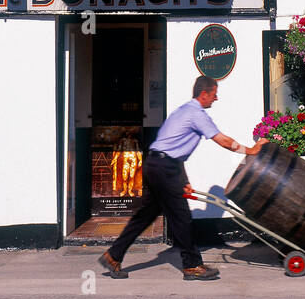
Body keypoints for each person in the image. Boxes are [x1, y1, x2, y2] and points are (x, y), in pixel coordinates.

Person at [99, 75, 261, 281]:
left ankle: (113, 256)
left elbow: (173, 148)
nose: (216, 98)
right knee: (181, 217)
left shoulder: (181, 111)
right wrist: (250, 150)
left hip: (154, 163)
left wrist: (183, 181)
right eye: (214, 94)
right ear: (204, 94)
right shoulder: (197, 114)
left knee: (146, 215)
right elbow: (224, 141)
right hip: (165, 169)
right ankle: (192, 266)